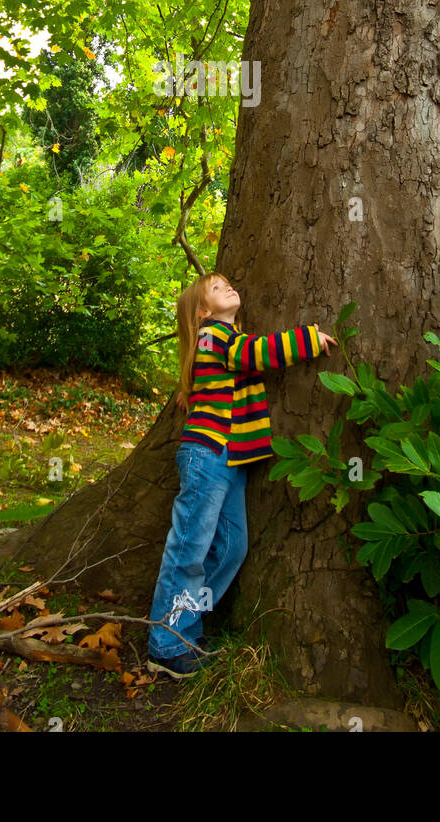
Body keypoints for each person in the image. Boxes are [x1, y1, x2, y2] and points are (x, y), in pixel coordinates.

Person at [146, 271, 338, 678]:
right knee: (188, 548)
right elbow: (256, 354)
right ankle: (164, 644)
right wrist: (307, 340)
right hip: (206, 456)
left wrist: (191, 390)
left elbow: (224, 373)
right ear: (202, 312)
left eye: (228, 283)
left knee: (232, 546)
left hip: (230, 460)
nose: (229, 287)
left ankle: (186, 625)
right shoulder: (216, 337)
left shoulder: (218, 345)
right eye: (217, 288)